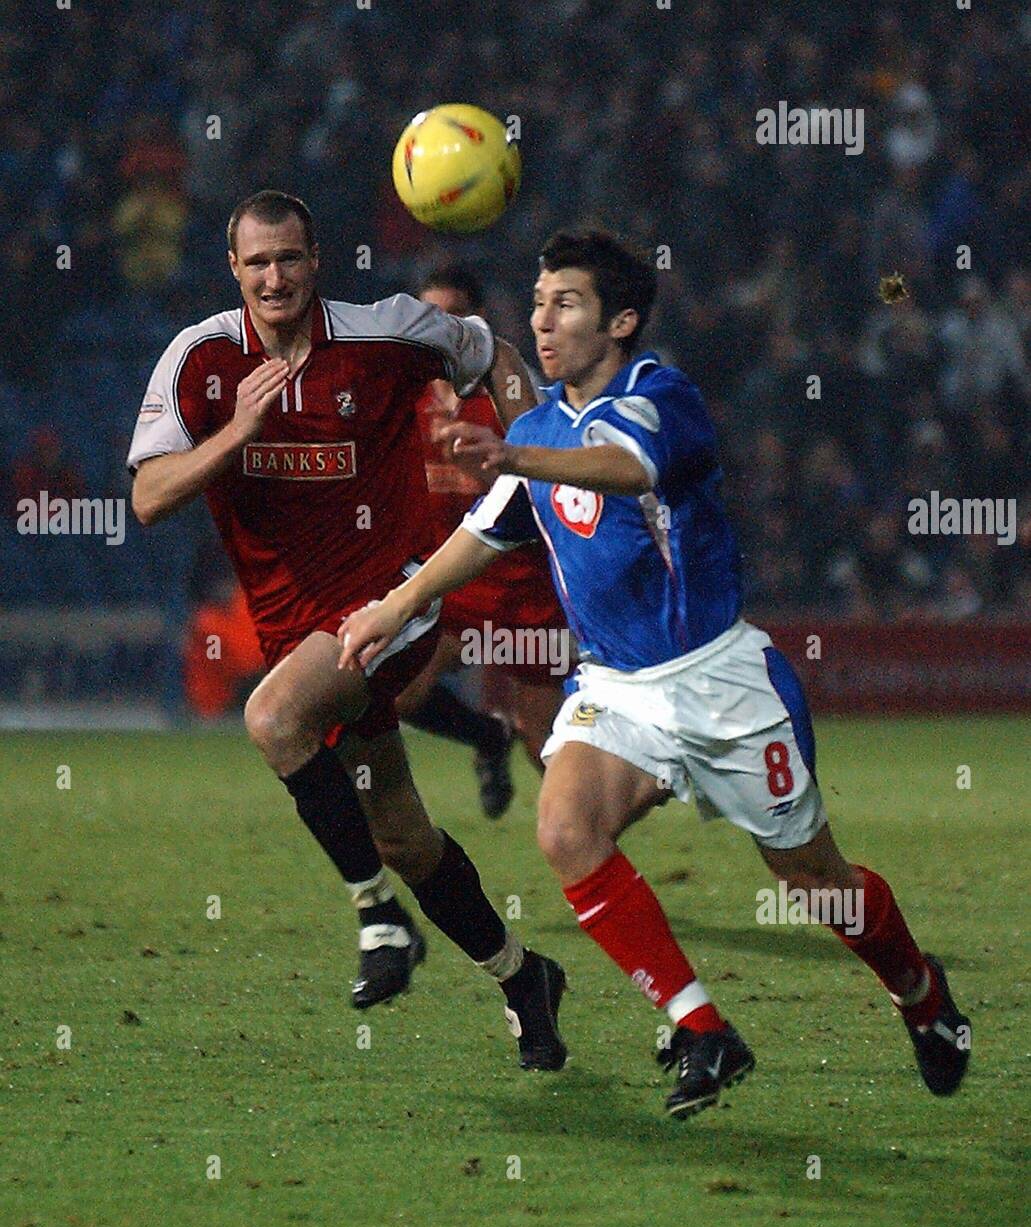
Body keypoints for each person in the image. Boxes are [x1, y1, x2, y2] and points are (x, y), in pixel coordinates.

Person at [340, 227, 972, 1118]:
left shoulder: (660, 397)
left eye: (567, 303)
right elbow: (482, 534)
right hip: (618, 689)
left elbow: (624, 468)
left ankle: (921, 997)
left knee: (813, 883)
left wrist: (515, 456)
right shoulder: (536, 427)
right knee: (563, 828)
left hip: (721, 682)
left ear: (621, 320)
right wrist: (391, 608)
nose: (543, 321)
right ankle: (701, 1028)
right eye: (538, 301)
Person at [127, 189, 566, 1067]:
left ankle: (377, 921)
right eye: (257, 263)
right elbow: (147, 498)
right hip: (295, 624)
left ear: (315, 258)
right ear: (233, 269)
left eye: (289, 257)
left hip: (394, 590)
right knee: (404, 833)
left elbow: (496, 352)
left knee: (271, 718)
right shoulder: (199, 360)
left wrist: (536, 461)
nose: (274, 276)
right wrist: (237, 432)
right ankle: (522, 975)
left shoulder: (387, 332)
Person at [397, 264, 568, 817]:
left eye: (451, 316)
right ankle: (487, 738)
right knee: (401, 694)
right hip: (454, 581)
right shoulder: (403, 397)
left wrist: (496, 466)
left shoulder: (509, 386)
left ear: (476, 323)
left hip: (525, 584)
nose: (437, 328)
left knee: (544, 743)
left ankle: (593, 849)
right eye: (427, 316)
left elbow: (550, 487)